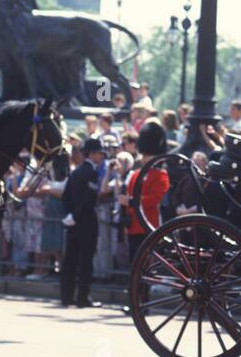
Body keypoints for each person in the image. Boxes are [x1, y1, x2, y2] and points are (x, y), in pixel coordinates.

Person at [60, 137, 108, 307]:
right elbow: (88, 200)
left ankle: (66, 296)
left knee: (70, 260)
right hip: (86, 222)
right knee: (85, 262)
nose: (101, 157)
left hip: (73, 222)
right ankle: (82, 298)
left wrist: (68, 215)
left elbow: (65, 196)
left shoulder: (76, 172)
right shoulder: (93, 173)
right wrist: (76, 215)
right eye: (99, 153)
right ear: (92, 154)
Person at [120, 120, 170, 269]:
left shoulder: (161, 175)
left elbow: (154, 200)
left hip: (148, 224)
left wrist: (130, 202)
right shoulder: (135, 174)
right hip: (133, 226)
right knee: (134, 265)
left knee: (145, 267)